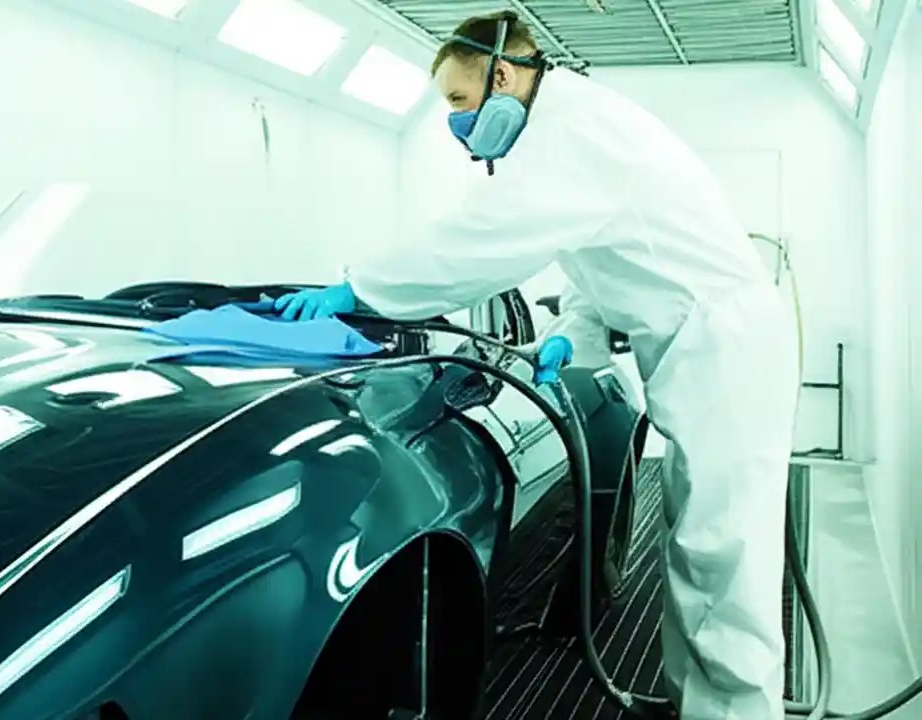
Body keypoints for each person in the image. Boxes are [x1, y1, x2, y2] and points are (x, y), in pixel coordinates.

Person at [271, 10, 798, 720]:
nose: (455, 123)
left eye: (460, 101)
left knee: (722, 552)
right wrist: (571, 332)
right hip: (707, 351)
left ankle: (732, 712)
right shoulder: (572, 137)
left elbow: (481, 244)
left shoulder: (573, 130)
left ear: (505, 75)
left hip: (727, 351)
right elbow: (601, 256)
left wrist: (359, 288)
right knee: (698, 538)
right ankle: (698, 703)